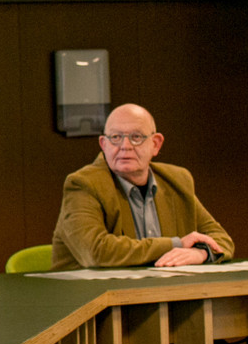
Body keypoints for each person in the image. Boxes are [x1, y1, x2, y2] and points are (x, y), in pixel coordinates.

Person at [51, 103, 234, 270]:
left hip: (162, 294)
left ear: (155, 144)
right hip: (91, 300)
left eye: (136, 137)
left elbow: (221, 239)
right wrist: (176, 244)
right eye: (115, 137)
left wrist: (199, 253)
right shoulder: (82, 184)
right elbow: (95, 251)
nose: (125, 146)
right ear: (103, 145)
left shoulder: (177, 181)